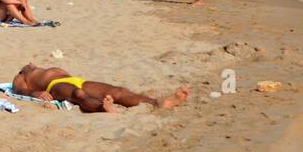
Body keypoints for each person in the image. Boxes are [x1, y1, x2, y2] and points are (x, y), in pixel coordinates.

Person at [12, 63, 189, 114]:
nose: (30, 64)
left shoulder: (40, 68)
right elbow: (19, 90)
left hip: (77, 79)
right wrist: (35, 92)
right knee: (78, 95)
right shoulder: (22, 75)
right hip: (55, 86)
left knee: (117, 91)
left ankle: (157, 102)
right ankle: (101, 107)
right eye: (27, 65)